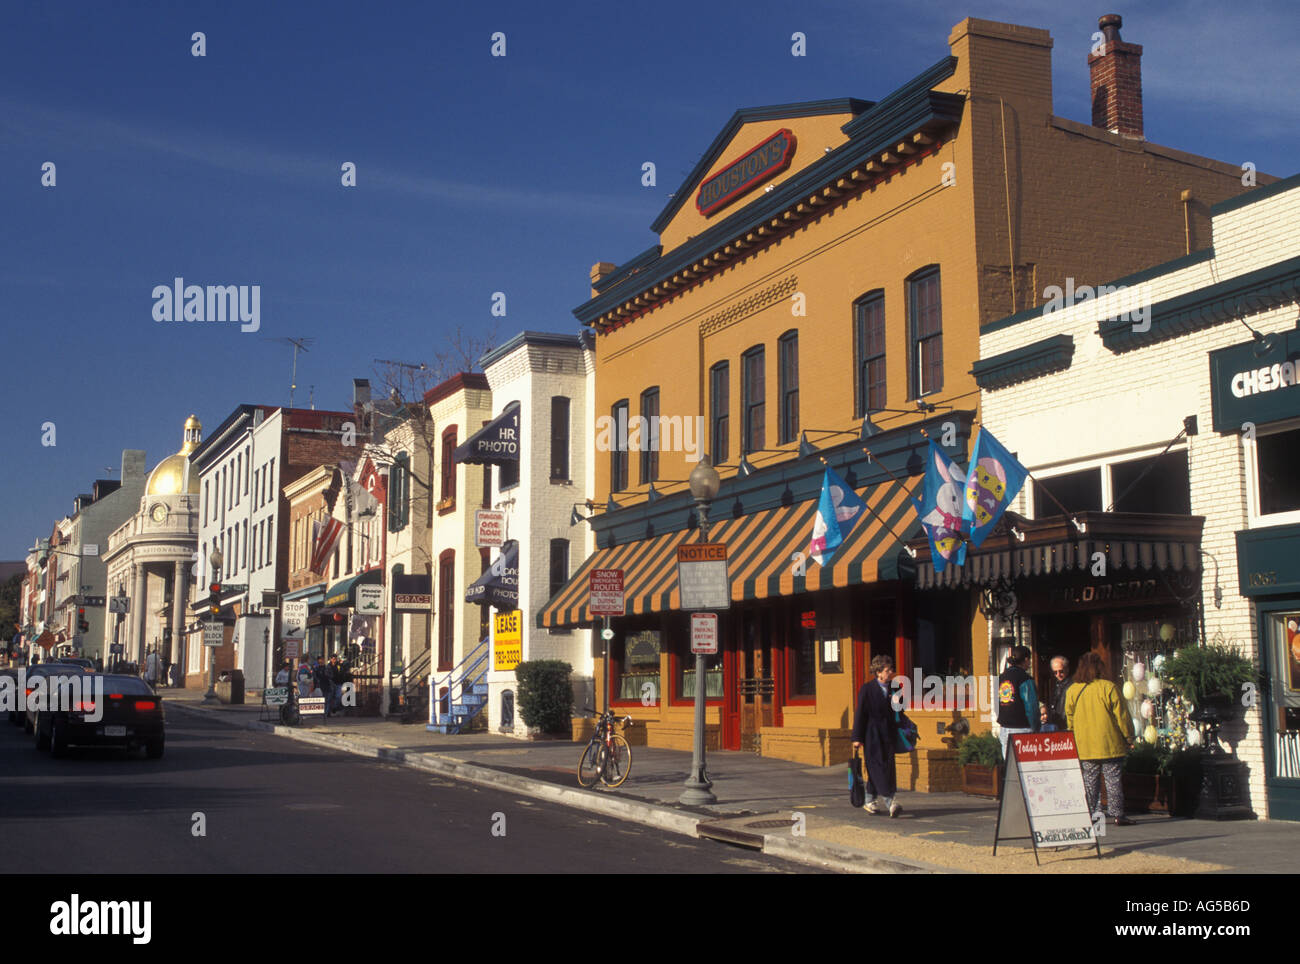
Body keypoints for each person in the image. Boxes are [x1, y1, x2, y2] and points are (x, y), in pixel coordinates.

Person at [1066, 651, 1136, 827]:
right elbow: (1122, 716)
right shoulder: (1108, 687)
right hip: (1109, 743)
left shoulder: (1073, 689)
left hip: (1085, 745)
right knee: (1113, 780)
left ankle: (1092, 814)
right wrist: (1129, 736)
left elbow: (1070, 718)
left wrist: (1073, 736)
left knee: (1090, 782)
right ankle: (1118, 814)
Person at [851, 654, 911, 818]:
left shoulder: (895, 687)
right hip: (871, 735)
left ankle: (869, 800)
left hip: (888, 734)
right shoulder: (867, 689)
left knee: (888, 767)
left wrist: (897, 700)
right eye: (887, 670)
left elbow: (901, 709)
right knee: (877, 767)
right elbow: (860, 714)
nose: (890, 672)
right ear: (878, 672)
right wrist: (857, 737)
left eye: (891, 669)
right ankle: (891, 802)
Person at [997, 645, 1040, 761]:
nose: (1029, 663)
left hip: (1004, 728)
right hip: (1022, 728)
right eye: (1029, 660)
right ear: (1026, 659)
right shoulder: (1025, 679)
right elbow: (1032, 707)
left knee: (1010, 769)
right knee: (1024, 767)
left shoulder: (1002, 677)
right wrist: (1036, 728)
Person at [1047, 655, 1072, 730]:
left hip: (1065, 725)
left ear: (1067, 669)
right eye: (1055, 672)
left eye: (1061, 671)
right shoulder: (1055, 684)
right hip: (1056, 724)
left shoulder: (1072, 686)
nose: (1058, 675)